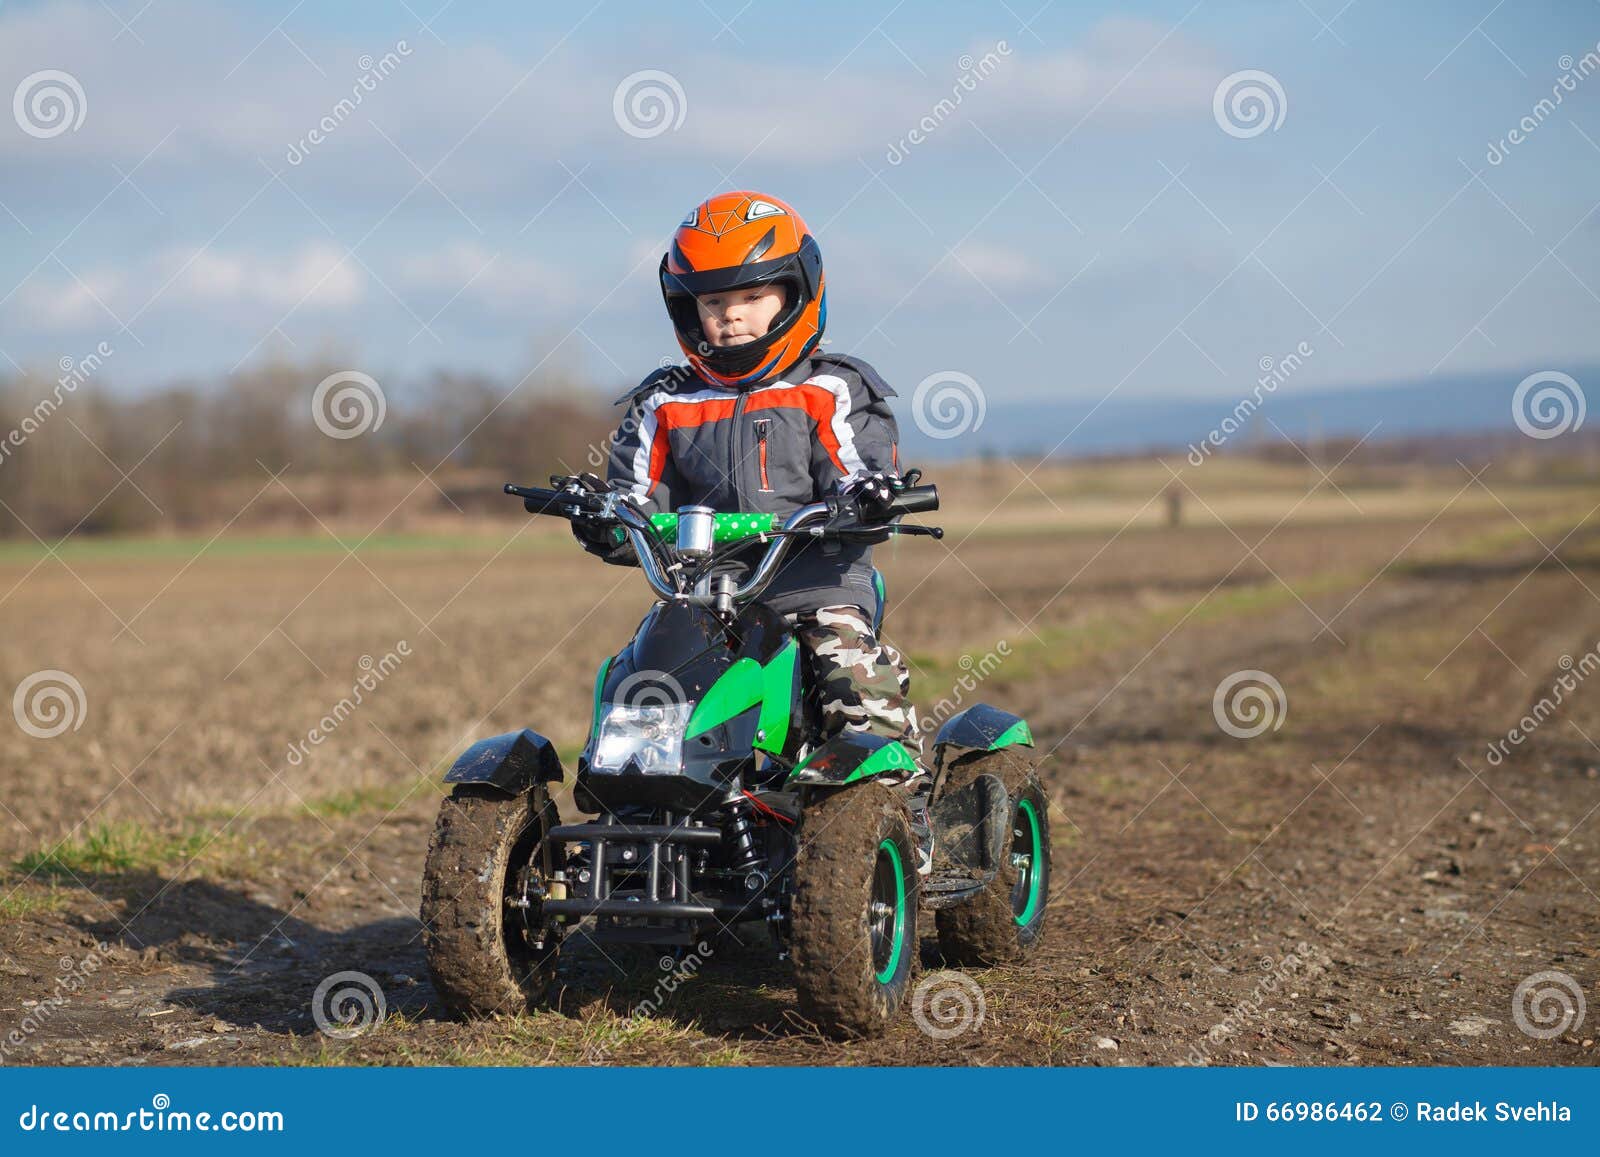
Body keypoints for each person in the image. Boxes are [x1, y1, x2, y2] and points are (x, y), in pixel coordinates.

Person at [574, 190, 933, 867]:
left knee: (847, 673)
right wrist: (604, 516)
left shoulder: (830, 387)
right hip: (708, 596)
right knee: (642, 678)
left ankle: (900, 828)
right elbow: (631, 496)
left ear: (797, 293)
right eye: (712, 302)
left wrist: (869, 495)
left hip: (816, 584)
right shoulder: (665, 401)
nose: (731, 315)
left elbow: (858, 466)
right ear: (688, 311)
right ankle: (640, 822)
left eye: (751, 295)